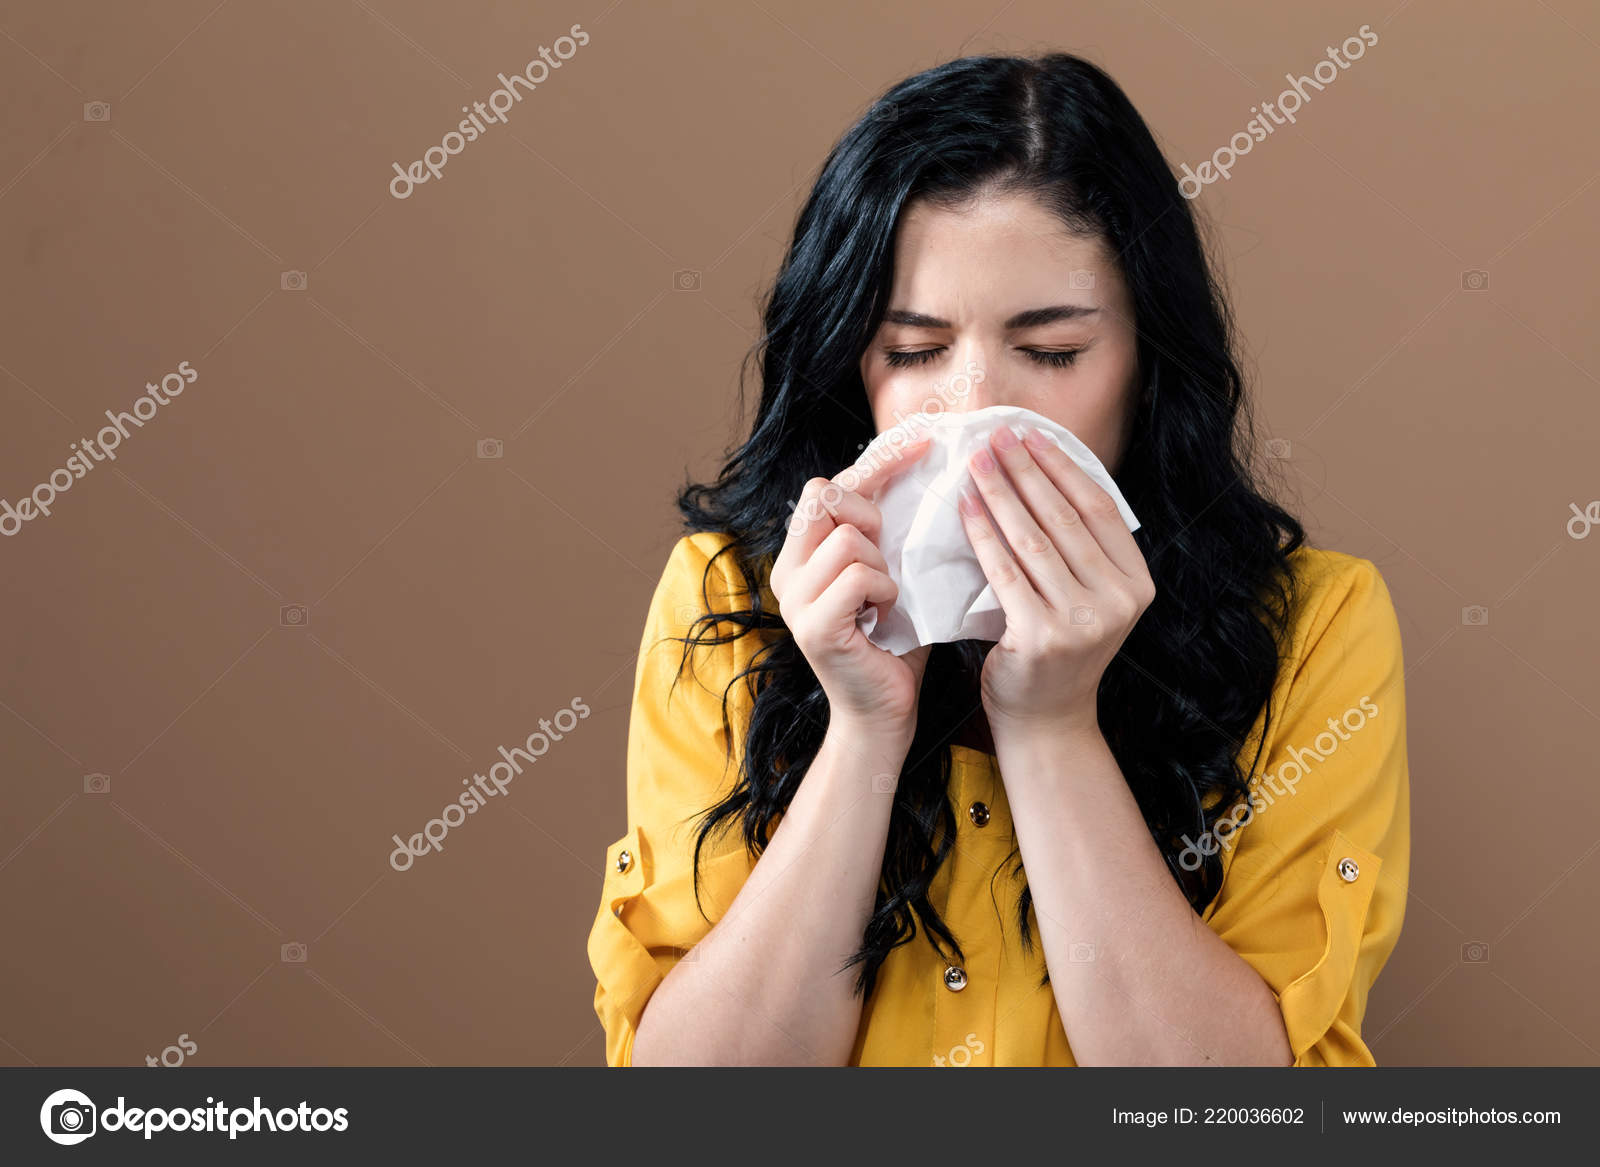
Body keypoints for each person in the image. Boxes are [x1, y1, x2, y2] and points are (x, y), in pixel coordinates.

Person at [587, 51, 1409, 1067]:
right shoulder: (726, 594)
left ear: (1148, 366)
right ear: (850, 366)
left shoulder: (1319, 628)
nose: (973, 412)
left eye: (1053, 353)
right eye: (914, 351)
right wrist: (860, 729)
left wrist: (1052, 724)